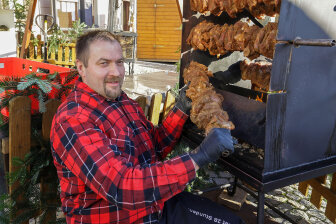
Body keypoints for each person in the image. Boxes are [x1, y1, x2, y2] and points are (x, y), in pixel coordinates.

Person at [50, 30, 237, 224]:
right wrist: (199, 157)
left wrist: (181, 108)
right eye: (104, 63)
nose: (116, 72)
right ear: (81, 68)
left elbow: (155, 146)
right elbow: (121, 186)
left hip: (154, 204)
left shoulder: (123, 102)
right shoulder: (74, 119)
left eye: (120, 62)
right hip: (119, 217)